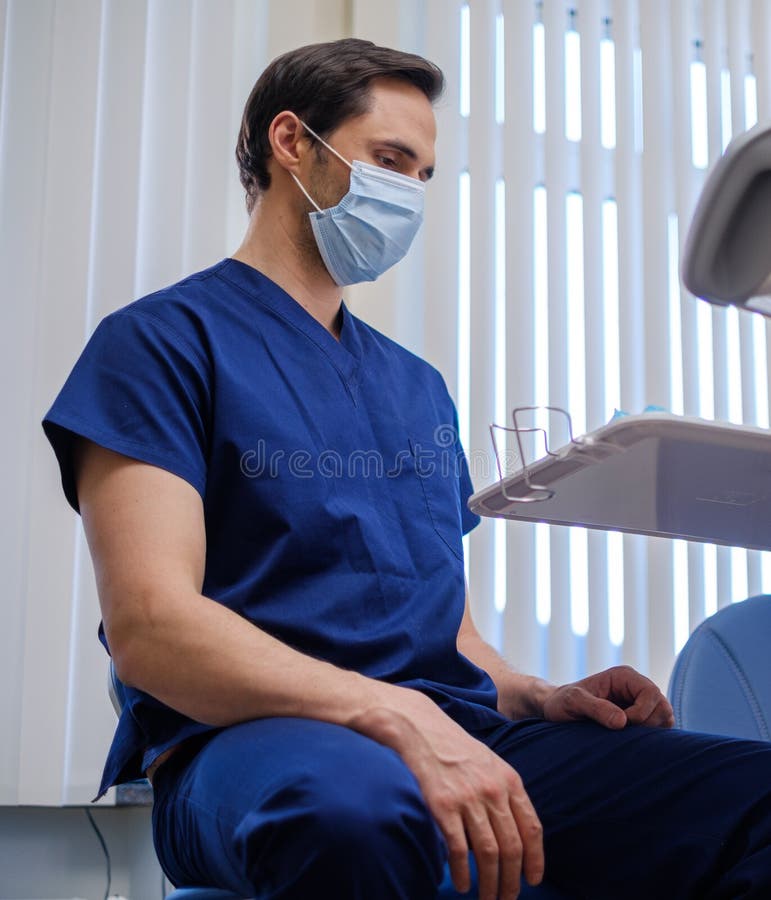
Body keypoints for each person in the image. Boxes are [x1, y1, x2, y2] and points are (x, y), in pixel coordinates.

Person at [44, 38, 771, 900]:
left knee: (751, 797)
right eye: (390, 160)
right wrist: (393, 711)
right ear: (291, 143)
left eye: (423, 175)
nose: (410, 195)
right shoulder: (159, 344)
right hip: (246, 743)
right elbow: (153, 628)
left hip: (457, 731)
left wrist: (538, 697)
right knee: (354, 811)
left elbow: (448, 639)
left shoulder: (415, 388)